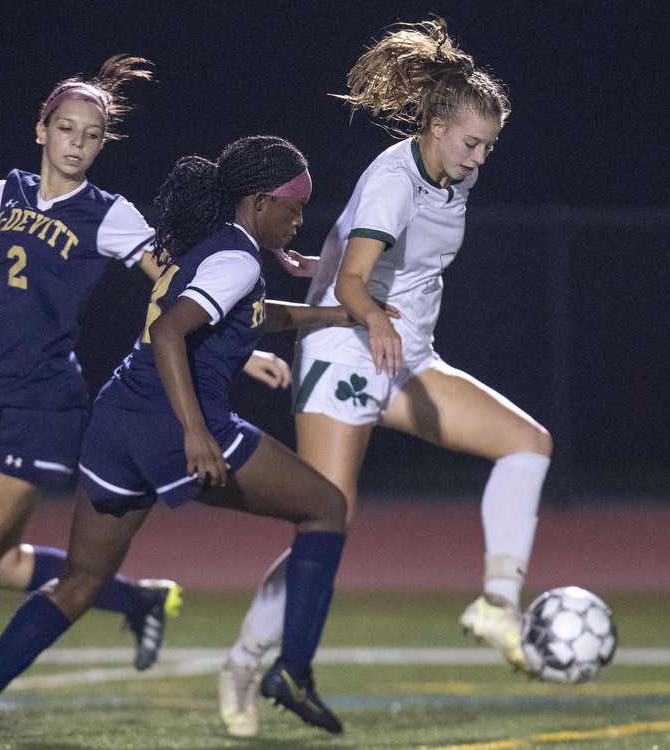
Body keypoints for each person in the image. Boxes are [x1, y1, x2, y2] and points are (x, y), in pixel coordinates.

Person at [0, 56, 288, 727]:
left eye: (92, 134)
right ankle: (136, 603)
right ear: (41, 130)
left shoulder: (109, 215)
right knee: (5, 558)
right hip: (5, 396)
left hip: (45, 401)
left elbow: (178, 286)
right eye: (67, 128)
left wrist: (241, 355)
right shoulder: (5, 194)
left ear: (102, 144)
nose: (78, 141)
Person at [0, 136, 361, 741]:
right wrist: (195, 434)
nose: (300, 220)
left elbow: (258, 317)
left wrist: (342, 315)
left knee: (81, 580)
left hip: (116, 423)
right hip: (174, 424)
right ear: (260, 202)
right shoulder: (236, 259)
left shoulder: (218, 250)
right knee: (326, 509)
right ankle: (292, 670)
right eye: (294, 208)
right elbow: (168, 333)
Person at [219, 19, 552, 737]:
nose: (480, 160)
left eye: (490, 147)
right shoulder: (396, 182)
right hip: (348, 351)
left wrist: (331, 258)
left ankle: (497, 603)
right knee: (326, 521)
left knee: (528, 443)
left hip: (409, 356)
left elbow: (371, 250)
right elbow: (362, 283)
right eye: (471, 144)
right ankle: (248, 659)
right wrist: (363, 308)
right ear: (434, 127)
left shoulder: (445, 171)